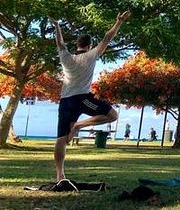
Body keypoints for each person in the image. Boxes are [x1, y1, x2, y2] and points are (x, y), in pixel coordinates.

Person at [49, 11, 130, 181]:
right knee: (112, 115)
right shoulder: (91, 55)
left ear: (77, 43)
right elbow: (107, 39)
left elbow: (60, 43)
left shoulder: (66, 57)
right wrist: (118, 22)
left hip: (65, 101)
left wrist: (57, 26)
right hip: (83, 99)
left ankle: (59, 176)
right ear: (89, 44)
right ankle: (78, 125)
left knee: (61, 139)